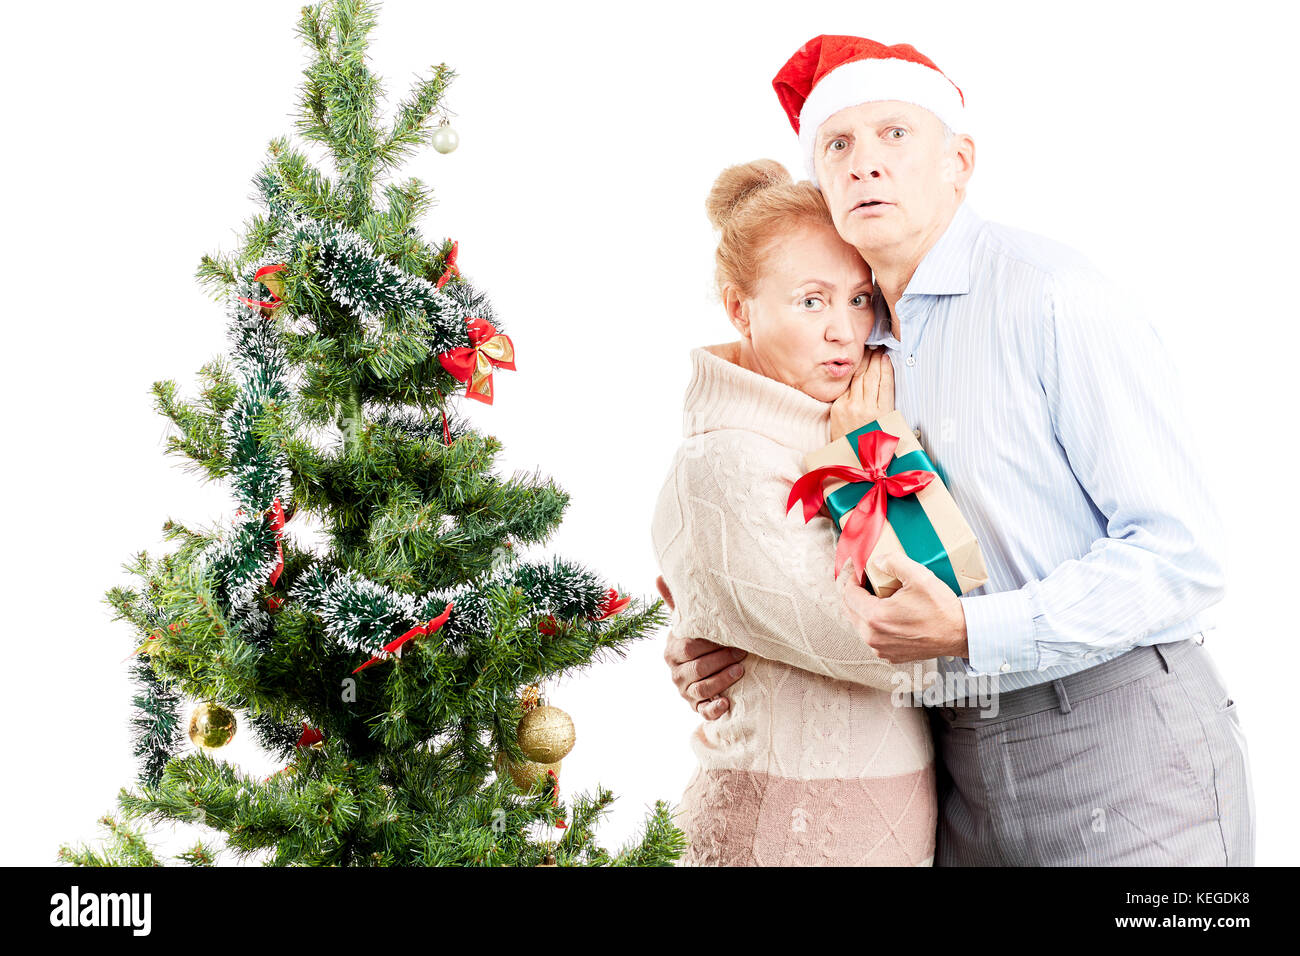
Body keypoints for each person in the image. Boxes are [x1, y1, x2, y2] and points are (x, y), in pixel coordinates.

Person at [661, 35, 1255, 865]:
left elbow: (1183, 556)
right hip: (958, 780)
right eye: (839, 144)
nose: (866, 164)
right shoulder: (855, 355)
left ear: (959, 161)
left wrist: (973, 630)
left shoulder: (1050, 298)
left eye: (895, 134)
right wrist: (742, 633)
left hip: (1119, 749)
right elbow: (807, 545)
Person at [650, 159, 937, 866]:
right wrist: (874, 451)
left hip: (879, 828)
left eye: (859, 299)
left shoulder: (843, 418)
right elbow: (895, 649)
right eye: (811, 301)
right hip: (790, 835)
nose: (845, 330)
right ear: (740, 309)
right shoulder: (726, 462)